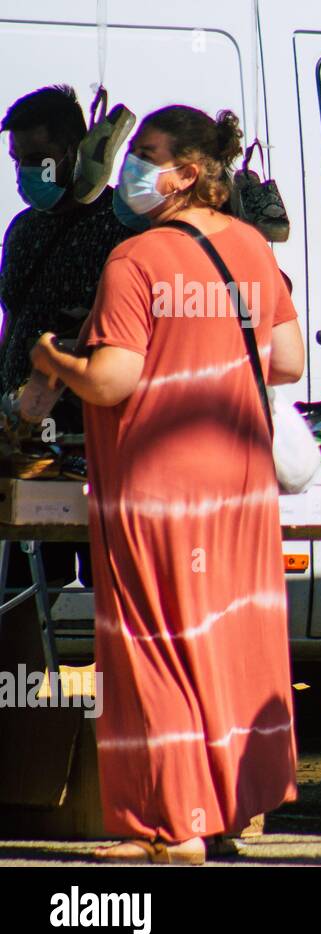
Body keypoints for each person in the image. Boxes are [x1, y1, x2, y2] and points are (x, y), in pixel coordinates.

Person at [30, 105, 304, 863]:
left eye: (147, 154)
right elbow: (286, 361)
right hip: (240, 484)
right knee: (227, 643)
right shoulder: (252, 247)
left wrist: (53, 361)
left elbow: (110, 382)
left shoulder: (136, 259)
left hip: (157, 485)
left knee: (154, 648)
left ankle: (174, 826)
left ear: (187, 173)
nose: (131, 168)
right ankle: (224, 811)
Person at [0, 86, 135, 598]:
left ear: (74, 151)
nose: (24, 172)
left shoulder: (124, 225)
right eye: (17, 160)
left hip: (97, 445)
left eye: (37, 158)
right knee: (20, 592)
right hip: (29, 445)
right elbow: (13, 321)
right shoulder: (24, 229)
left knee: (115, 588)